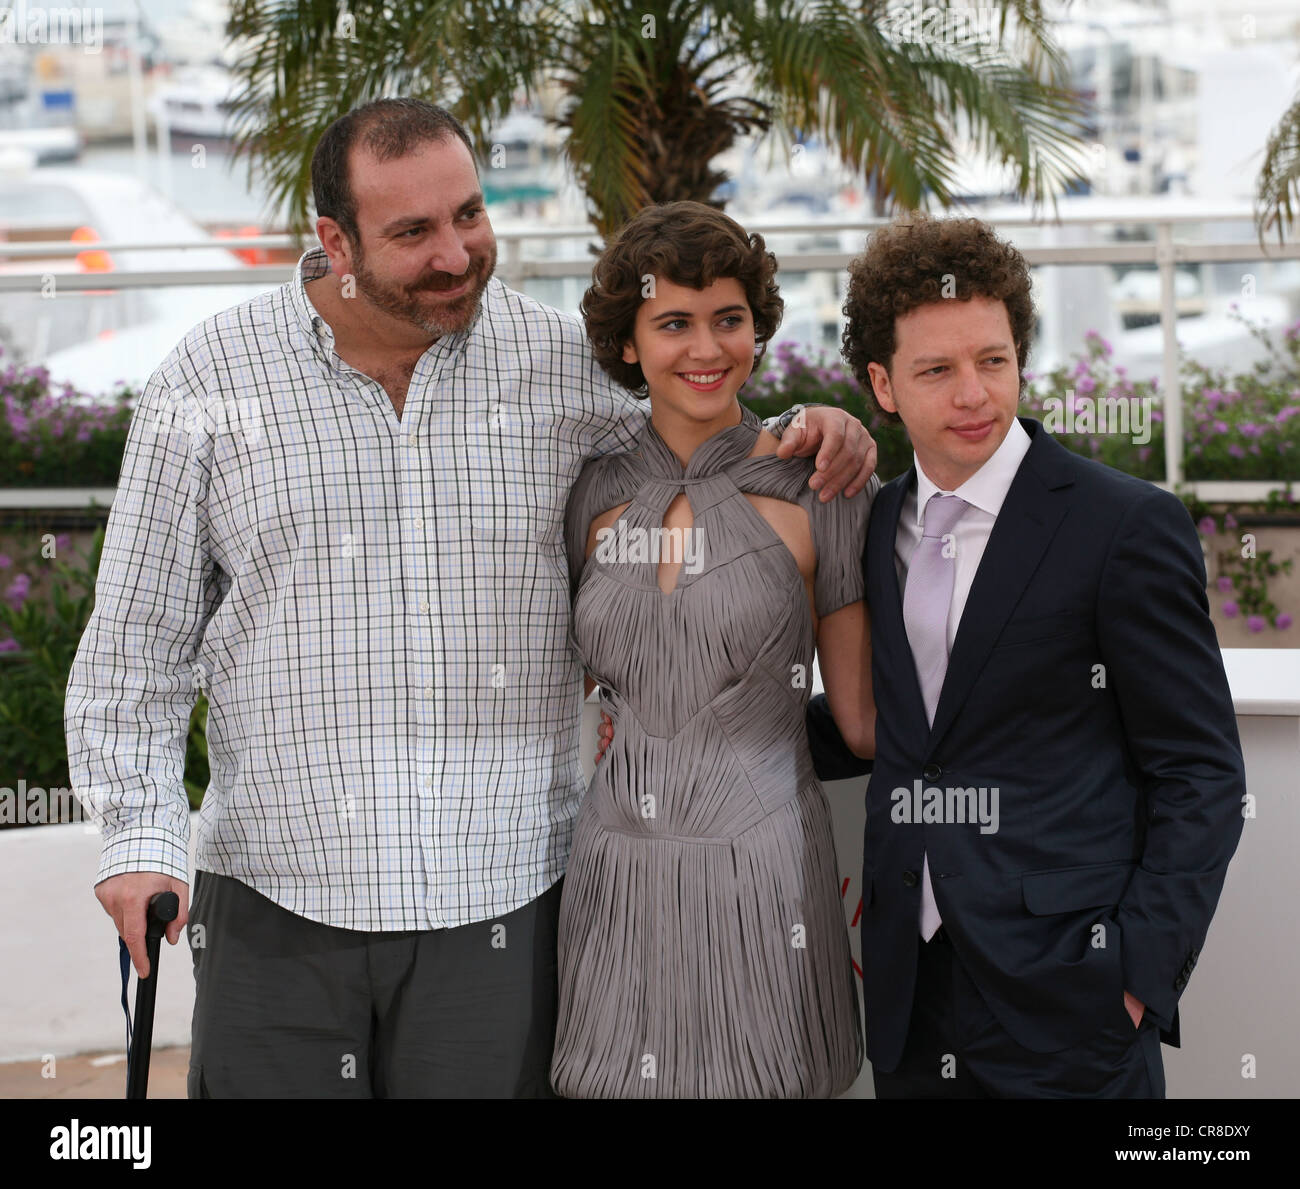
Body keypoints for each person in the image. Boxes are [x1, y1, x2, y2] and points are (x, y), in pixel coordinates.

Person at [62, 98, 876, 1098]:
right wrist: (141, 843)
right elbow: (135, 651)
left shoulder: (558, 366)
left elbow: (695, 414)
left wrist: (814, 427)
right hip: (277, 901)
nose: (456, 254)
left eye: (470, 215)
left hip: (504, 905)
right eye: (413, 233)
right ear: (335, 240)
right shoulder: (208, 379)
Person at [805, 214, 1247, 1097]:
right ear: (883, 386)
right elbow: (901, 722)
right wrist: (681, 728)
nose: (973, 393)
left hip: (1072, 996)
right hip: (909, 989)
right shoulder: (872, 524)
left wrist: (1134, 977)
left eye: (993, 360)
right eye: (937, 369)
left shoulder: (1121, 526)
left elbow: (1200, 771)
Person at [551, 200, 878, 1098]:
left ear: (758, 330)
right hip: (613, 871)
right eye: (674, 323)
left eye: (728, 319)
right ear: (628, 344)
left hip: (766, 866)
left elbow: (862, 722)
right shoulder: (590, 493)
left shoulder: (825, 484)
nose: (707, 347)